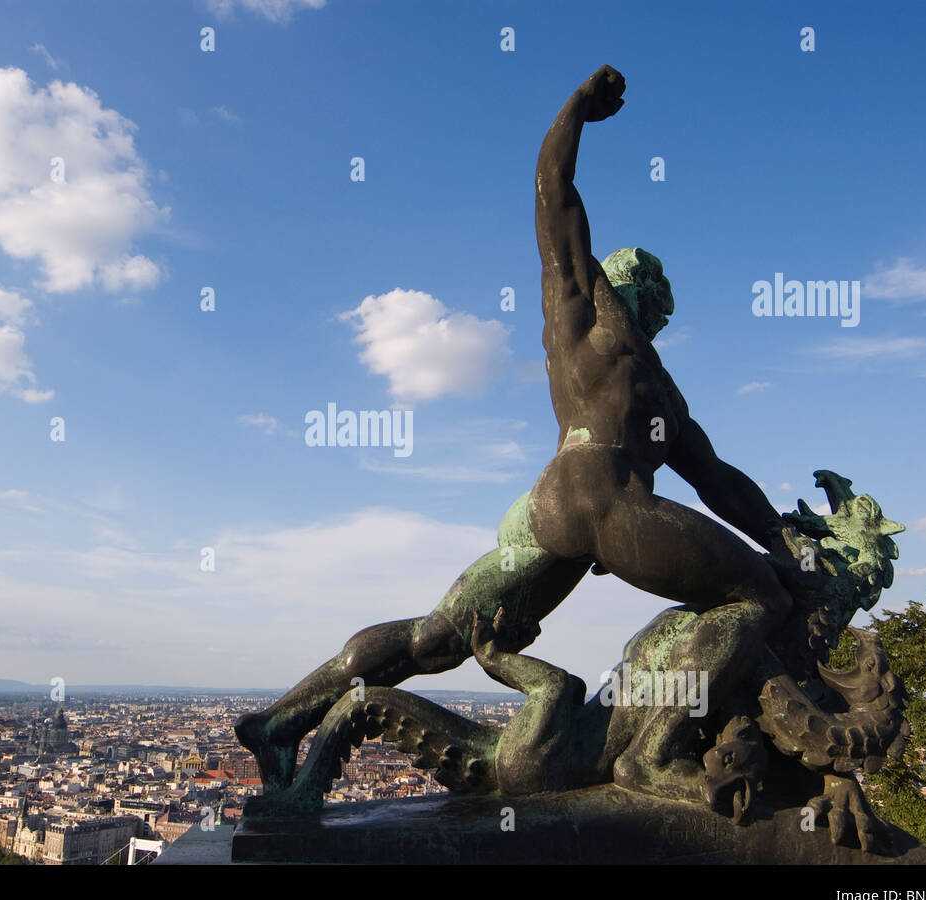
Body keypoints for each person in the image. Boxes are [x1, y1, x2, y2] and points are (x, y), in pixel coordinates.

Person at [237, 65, 793, 801]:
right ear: (644, 292)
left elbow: (717, 477)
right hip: (608, 503)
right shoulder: (597, 321)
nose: (655, 313)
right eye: (655, 299)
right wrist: (576, 114)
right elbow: (554, 196)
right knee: (756, 598)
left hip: (548, 513)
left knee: (432, 640)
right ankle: (654, 752)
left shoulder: (621, 358)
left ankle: (278, 723)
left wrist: (780, 524)